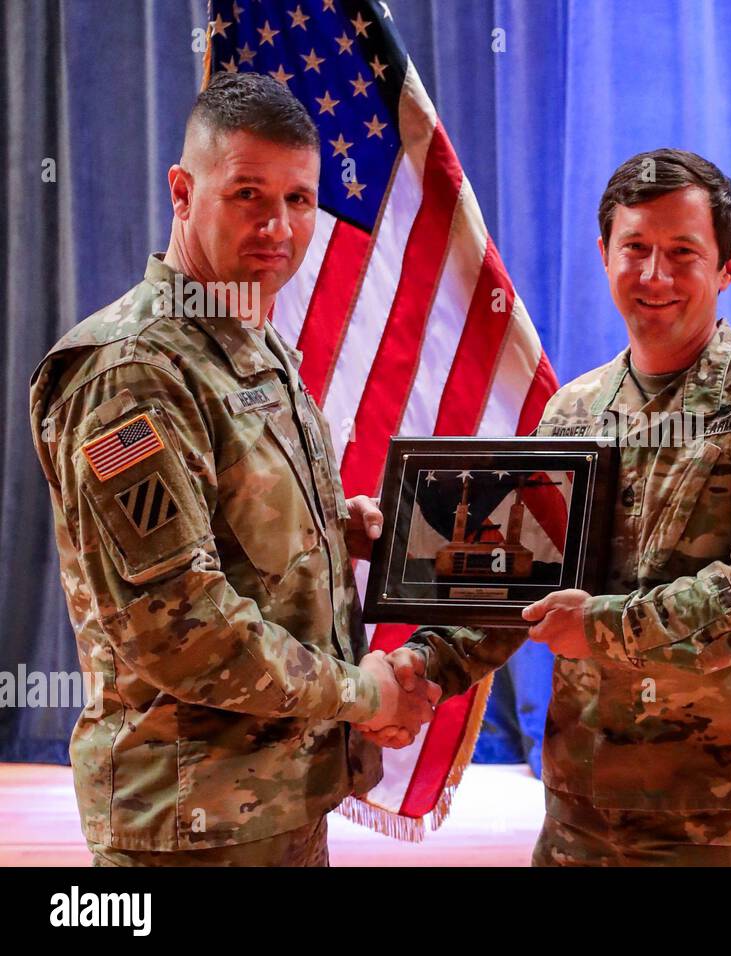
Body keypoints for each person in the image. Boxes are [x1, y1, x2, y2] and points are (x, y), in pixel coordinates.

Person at [387, 148, 731, 866]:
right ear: (603, 253)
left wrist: (604, 626)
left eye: (683, 253)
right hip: (581, 803)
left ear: (729, 267)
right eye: (635, 248)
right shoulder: (571, 412)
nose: (654, 276)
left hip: (720, 811)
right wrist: (425, 665)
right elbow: (518, 581)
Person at [27, 73, 435, 867]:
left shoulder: (247, 338)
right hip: (190, 825)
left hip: (278, 801)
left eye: (299, 200)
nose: (278, 227)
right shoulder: (133, 372)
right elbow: (180, 628)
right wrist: (365, 694)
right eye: (248, 194)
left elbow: (230, 522)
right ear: (183, 192)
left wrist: (334, 528)